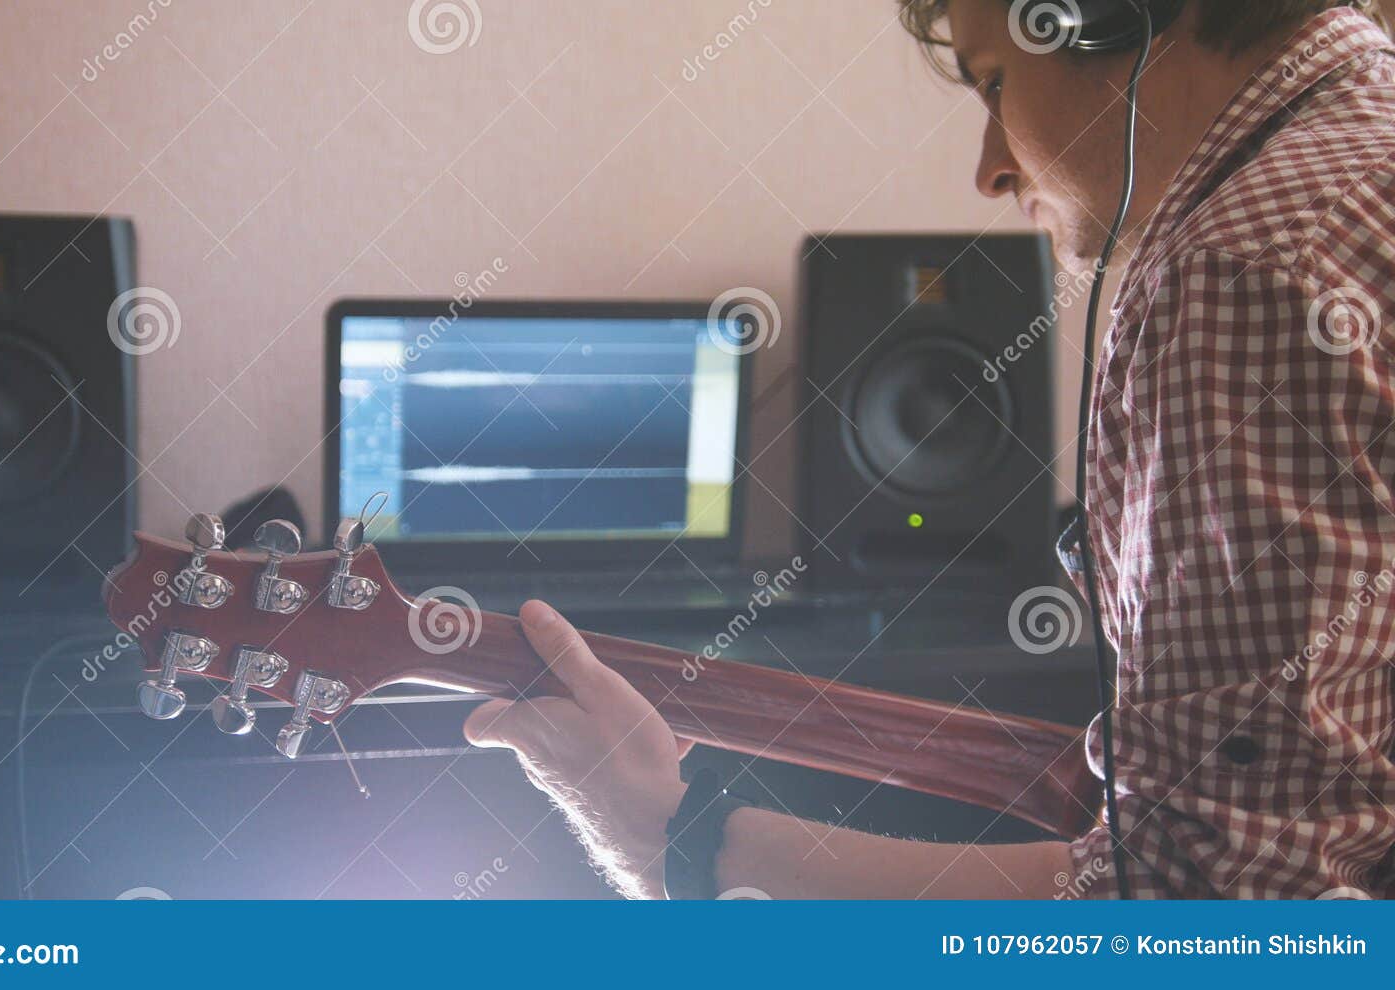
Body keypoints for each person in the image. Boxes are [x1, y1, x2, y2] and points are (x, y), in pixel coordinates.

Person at [463, 0, 1395, 899]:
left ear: (1106, 11)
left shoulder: (1242, 272)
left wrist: (666, 840)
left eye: (994, 85)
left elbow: (1216, 923)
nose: (990, 169)